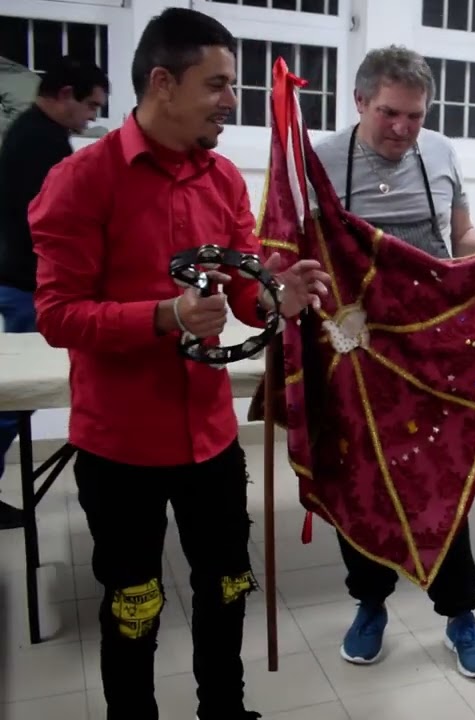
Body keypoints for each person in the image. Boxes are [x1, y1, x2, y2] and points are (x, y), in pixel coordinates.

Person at [27, 8, 330, 719]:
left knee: (226, 586)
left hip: (210, 439)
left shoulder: (222, 179)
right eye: (218, 84)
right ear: (162, 82)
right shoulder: (81, 180)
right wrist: (162, 315)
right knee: (134, 604)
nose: (232, 100)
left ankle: (223, 710)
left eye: (235, 84)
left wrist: (277, 301)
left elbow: (244, 296)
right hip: (120, 445)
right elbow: (56, 315)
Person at [310, 44, 475, 678]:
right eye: (390, 113)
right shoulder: (319, 160)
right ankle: (370, 605)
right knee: (357, 483)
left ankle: (459, 613)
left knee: (443, 481)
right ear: (360, 101)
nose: (403, 128)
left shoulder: (441, 153)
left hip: (430, 350)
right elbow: (303, 255)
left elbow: (463, 241)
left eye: (415, 116)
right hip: (357, 353)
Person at [0, 55, 110, 530]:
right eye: (89, 106)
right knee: (13, 401)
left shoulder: (39, 134)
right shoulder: (38, 144)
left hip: (25, 281)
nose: (91, 117)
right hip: (28, 285)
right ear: (64, 94)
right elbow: (46, 231)